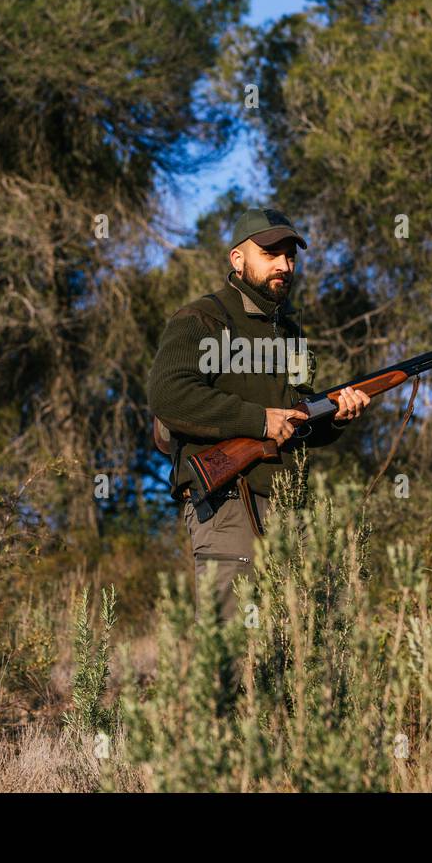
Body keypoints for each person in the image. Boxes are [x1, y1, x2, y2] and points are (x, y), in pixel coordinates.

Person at [148, 207, 371, 618]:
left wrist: (336, 417)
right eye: (270, 254)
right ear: (237, 259)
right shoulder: (201, 319)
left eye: (290, 256)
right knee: (233, 657)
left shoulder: (291, 334)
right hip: (229, 506)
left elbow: (299, 422)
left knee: (292, 656)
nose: (284, 266)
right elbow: (168, 394)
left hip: (289, 509)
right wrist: (258, 421)